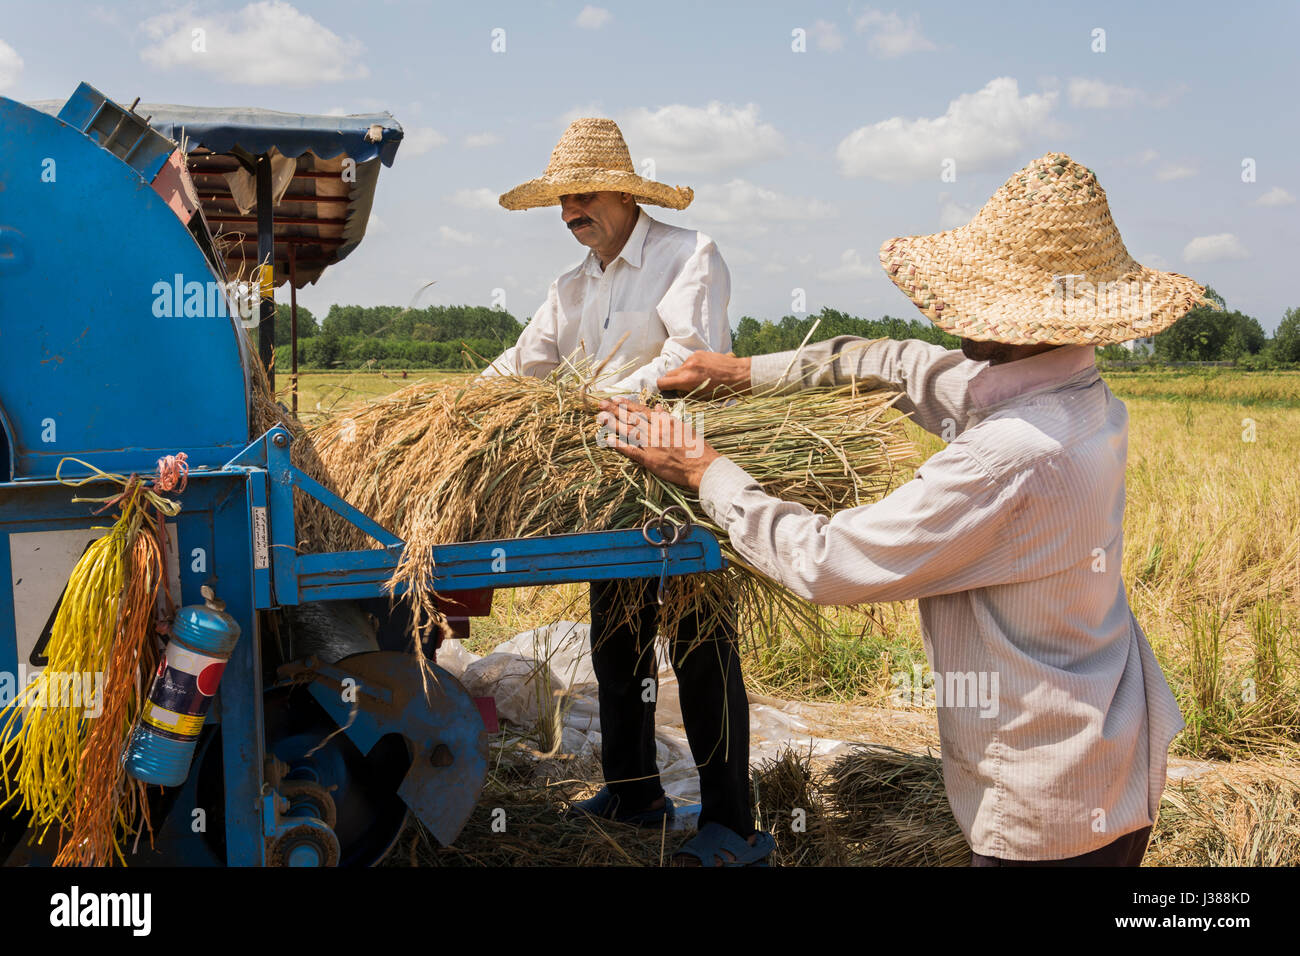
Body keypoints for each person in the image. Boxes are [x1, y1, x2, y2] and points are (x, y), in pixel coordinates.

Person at [597, 152, 1208, 865]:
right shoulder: (1072, 394)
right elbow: (896, 364)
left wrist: (702, 468)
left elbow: (828, 564)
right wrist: (743, 373)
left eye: (969, 298)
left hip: (1050, 809)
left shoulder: (1012, 455)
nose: (948, 316)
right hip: (1106, 760)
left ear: (1011, 316)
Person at [485, 118, 774, 865]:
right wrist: (458, 406)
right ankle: (635, 789)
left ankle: (731, 823)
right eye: (561, 200)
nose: (568, 212)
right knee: (617, 639)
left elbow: (691, 356)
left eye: (581, 195)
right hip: (612, 489)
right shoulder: (572, 285)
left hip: (682, 477)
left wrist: (598, 402)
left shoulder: (687, 256)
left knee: (699, 644)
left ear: (622, 192)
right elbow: (525, 364)